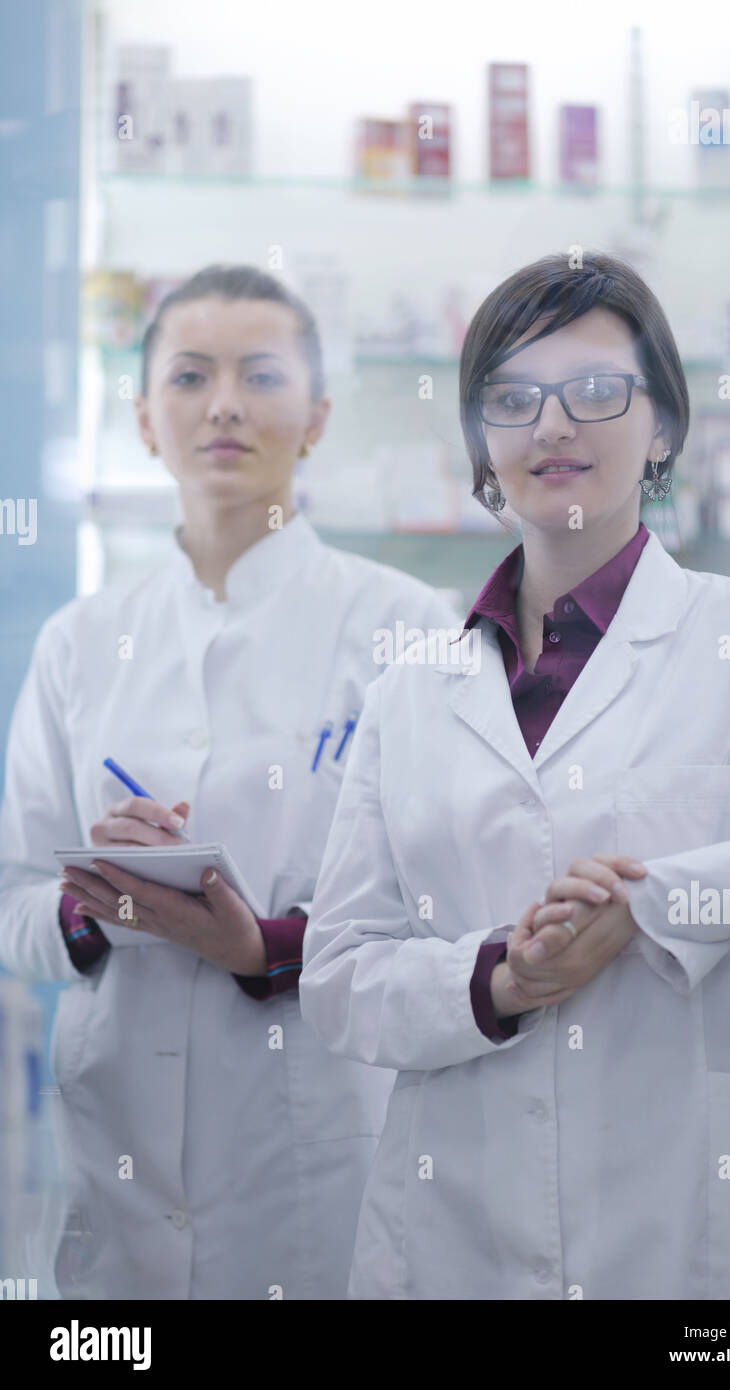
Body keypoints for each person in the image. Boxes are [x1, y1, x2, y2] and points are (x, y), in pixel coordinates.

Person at [300, 249, 730, 1300]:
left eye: (596, 391)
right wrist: (496, 980)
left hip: (677, 1223)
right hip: (448, 1230)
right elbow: (337, 977)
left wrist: (658, 904)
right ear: (479, 446)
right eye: (511, 398)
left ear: (663, 429)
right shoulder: (411, 688)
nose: (551, 427)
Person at [0, 264, 458, 1300]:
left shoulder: (406, 628)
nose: (224, 404)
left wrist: (268, 946)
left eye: (260, 375)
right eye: (190, 375)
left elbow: (444, 901)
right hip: (113, 1139)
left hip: (315, 1129)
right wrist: (98, 911)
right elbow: (13, 896)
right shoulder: (83, 641)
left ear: (317, 416)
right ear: (145, 419)